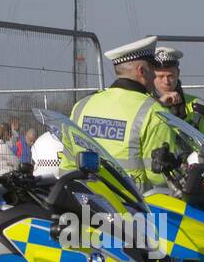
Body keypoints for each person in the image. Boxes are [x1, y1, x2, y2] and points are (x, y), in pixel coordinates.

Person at [69, 36, 173, 189]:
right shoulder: (154, 111)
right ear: (142, 71)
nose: (154, 78)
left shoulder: (82, 105)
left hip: (87, 202)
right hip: (133, 207)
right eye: (153, 71)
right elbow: (160, 176)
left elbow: (67, 164)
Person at [152, 47, 204, 136]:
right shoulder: (144, 104)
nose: (166, 82)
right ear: (151, 76)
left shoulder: (198, 106)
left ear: (178, 74)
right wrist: (160, 105)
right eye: (161, 76)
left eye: (170, 76)